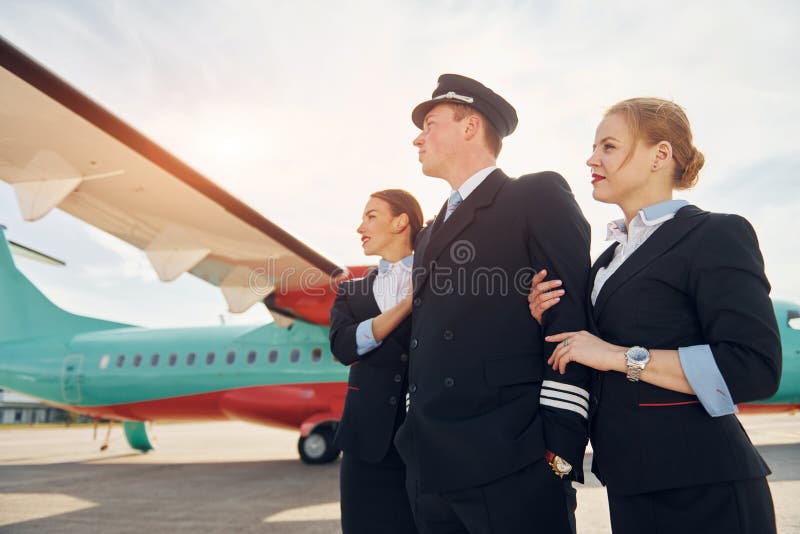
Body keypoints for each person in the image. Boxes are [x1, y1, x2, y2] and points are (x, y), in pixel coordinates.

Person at [528, 97, 782, 534]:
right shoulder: (605, 262)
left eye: (608, 146)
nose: (592, 158)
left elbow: (752, 367)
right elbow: (589, 357)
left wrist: (618, 356)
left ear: (659, 155)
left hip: (706, 488)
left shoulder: (716, 233)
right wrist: (543, 319)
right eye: (594, 147)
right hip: (629, 486)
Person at [394, 74, 592, 534]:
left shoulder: (533, 195)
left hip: (511, 458)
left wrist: (558, 452)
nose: (417, 137)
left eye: (431, 123)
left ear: (470, 127)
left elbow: (570, 322)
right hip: (430, 464)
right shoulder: (429, 233)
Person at [329, 189, 423, 534]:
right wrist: (405, 306)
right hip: (365, 446)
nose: (360, 227)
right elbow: (342, 347)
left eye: (371, 216)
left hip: (429, 442)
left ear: (400, 222)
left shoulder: (443, 282)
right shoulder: (350, 292)